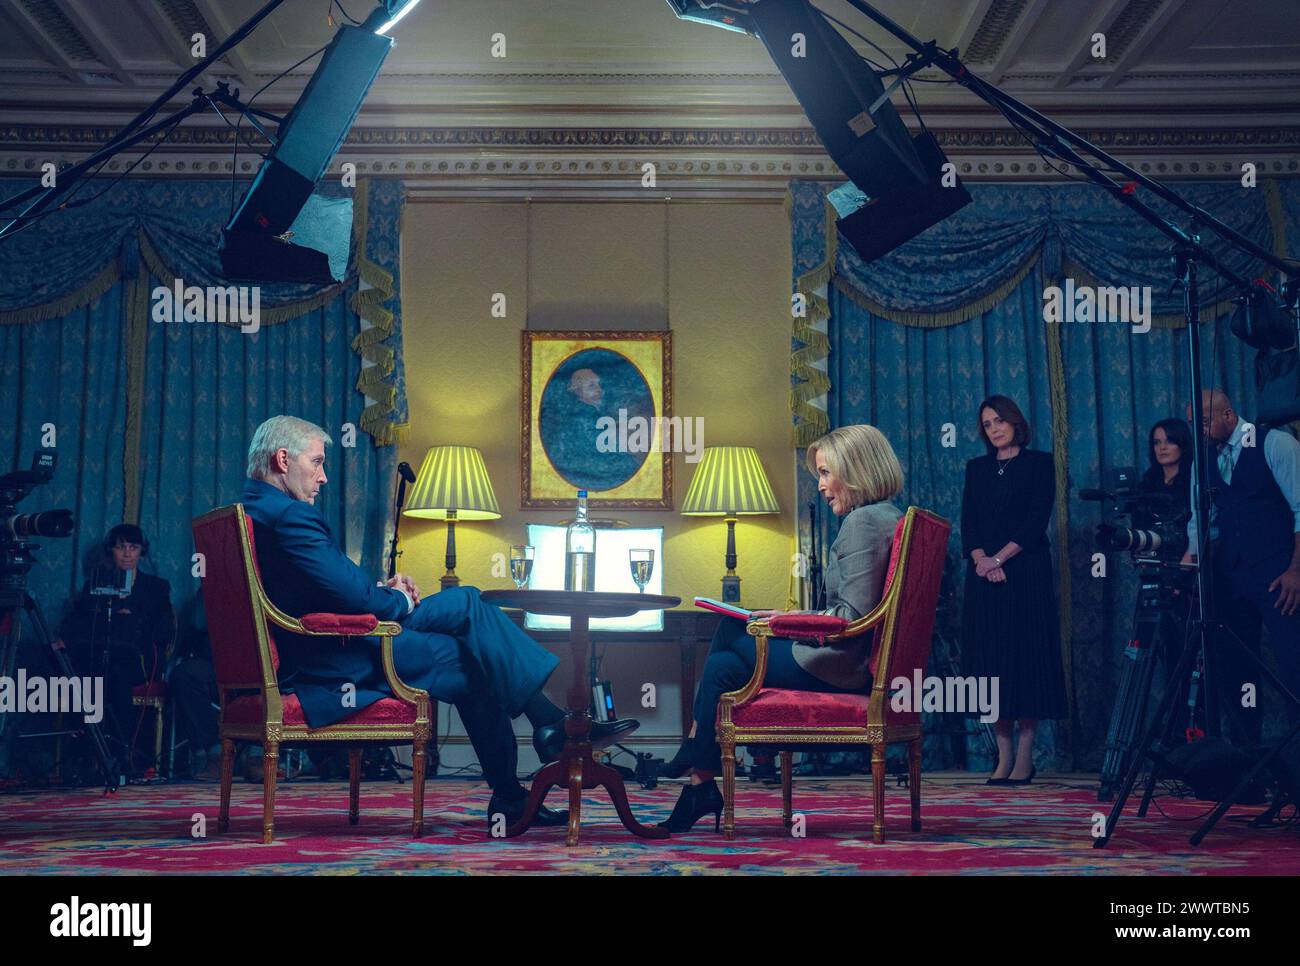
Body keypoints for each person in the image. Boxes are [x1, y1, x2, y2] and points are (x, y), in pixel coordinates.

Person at [237, 415, 639, 828]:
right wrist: (395, 598)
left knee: (467, 608)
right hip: (338, 654)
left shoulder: (252, 509)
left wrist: (381, 591)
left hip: (325, 642)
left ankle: (539, 746)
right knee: (471, 650)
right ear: (283, 459)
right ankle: (544, 738)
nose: (323, 477)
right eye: (317, 462)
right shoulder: (289, 517)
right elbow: (354, 598)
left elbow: (327, 588)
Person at [657, 424, 904, 832]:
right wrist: (782, 618)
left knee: (731, 629)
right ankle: (700, 782)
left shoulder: (862, 523)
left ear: (856, 469)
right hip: (847, 661)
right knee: (722, 667)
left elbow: (852, 617)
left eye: (826, 473)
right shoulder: (887, 516)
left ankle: (696, 750)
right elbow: (853, 610)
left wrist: (784, 624)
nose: (822, 486)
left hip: (841, 666)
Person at [1182, 389, 1300, 742]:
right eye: (1193, 425)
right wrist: (1193, 562)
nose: (1198, 431)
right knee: (1238, 673)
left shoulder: (1274, 444)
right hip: (1234, 578)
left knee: (1294, 669)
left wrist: (1297, 571)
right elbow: (1201, 521)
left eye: (1203, 422)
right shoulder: (1202, 460)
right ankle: (1247, 761)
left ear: (1228, 415)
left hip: (1280, 575)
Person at [960, 395, 1067, 785]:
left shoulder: (1039, 463)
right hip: (984, 579)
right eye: (987, 424)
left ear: (1015, 422)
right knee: (992, 667)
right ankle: (1002, 756)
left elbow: (1036, 522)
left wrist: (999, 560)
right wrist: (981, 561)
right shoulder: (976, 468)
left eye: (1000, 420)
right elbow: (968, 524)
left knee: (1026, 663)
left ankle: (1025, 755)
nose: (995, 428)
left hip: (1025, 576)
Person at [56, 524, 174, 775]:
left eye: (133, 547)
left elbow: (164, 631)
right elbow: (78, 624)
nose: (127, 554)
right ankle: (87, 756)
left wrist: (132, 619)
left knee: (117, 676)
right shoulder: (95, 584)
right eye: (121, 547)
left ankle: (121, 756)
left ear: (142, 552)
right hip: (98, 658)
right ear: (112, 551)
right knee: (88, 677)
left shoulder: (157, 587)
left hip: (137, 661)